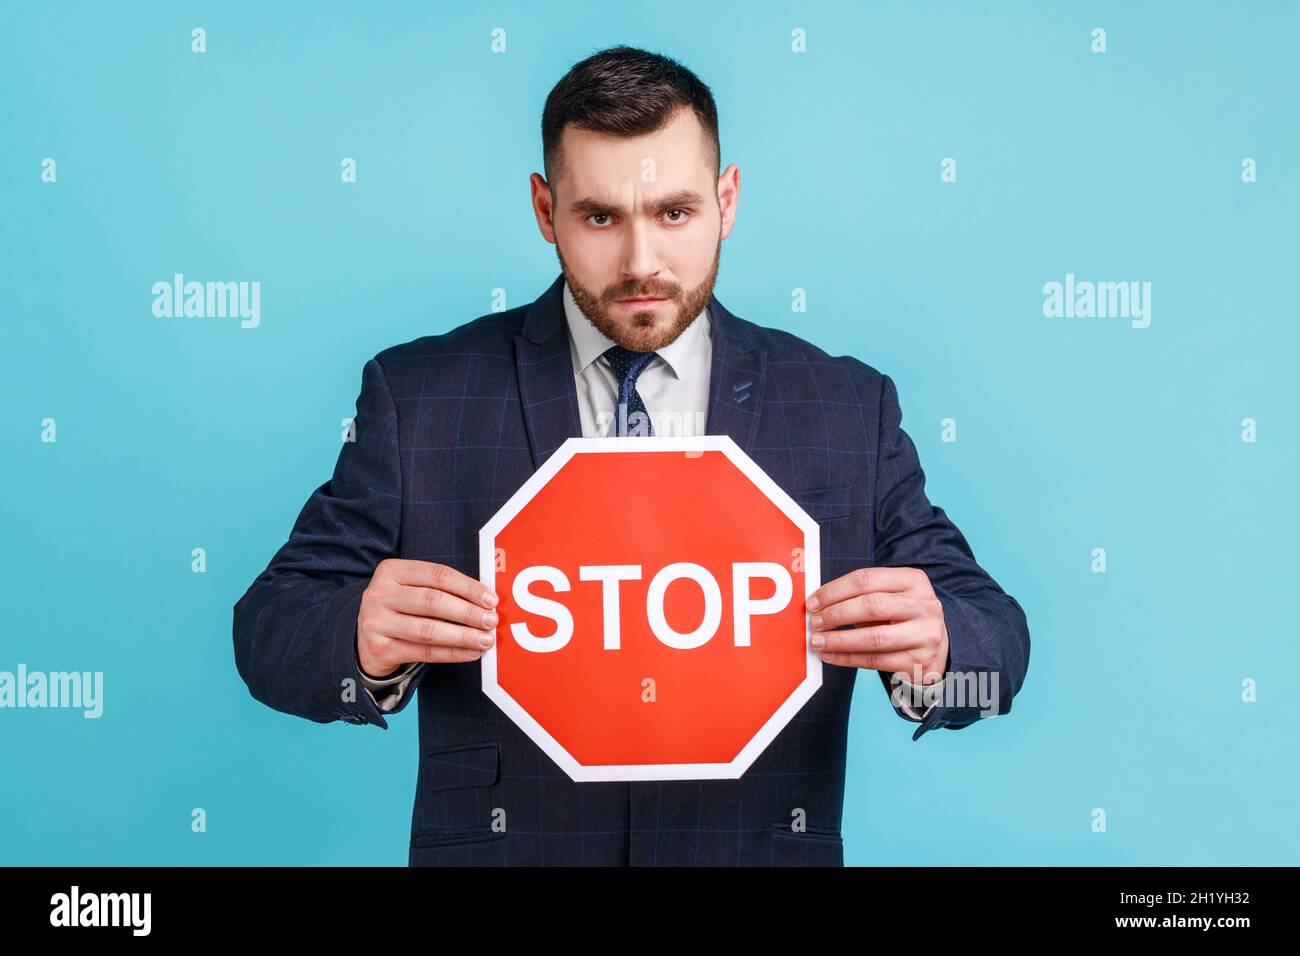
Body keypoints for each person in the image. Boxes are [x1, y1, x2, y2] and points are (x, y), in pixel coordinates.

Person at [232, 45, 1030, 866]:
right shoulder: (421, 397)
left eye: (675, 214)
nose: (642, 262)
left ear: (728, 201)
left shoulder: (845, 409)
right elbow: (268, 629)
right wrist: (358, 637)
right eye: (601, 217)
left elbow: (998, 647)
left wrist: (940, 647)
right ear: (546, 210)